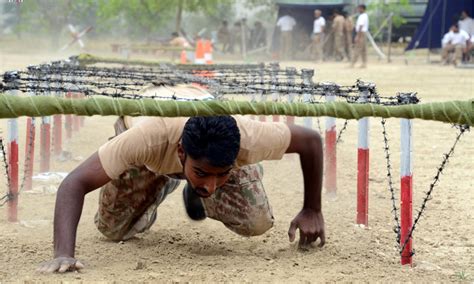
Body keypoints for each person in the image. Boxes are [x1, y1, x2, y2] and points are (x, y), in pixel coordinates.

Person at [36, 86, 326, 273]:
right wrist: (63, 254)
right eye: (202, 174)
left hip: (200, 117)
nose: (211, 185)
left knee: (257, 223)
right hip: (147, 152)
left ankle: (199, 183)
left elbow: (311, 141)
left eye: (220, 174)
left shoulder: (249, 137)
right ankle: (160, 187)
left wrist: (312, 208)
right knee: (112, 231)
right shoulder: (144, 139)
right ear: (181, 152)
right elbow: (73, 183)